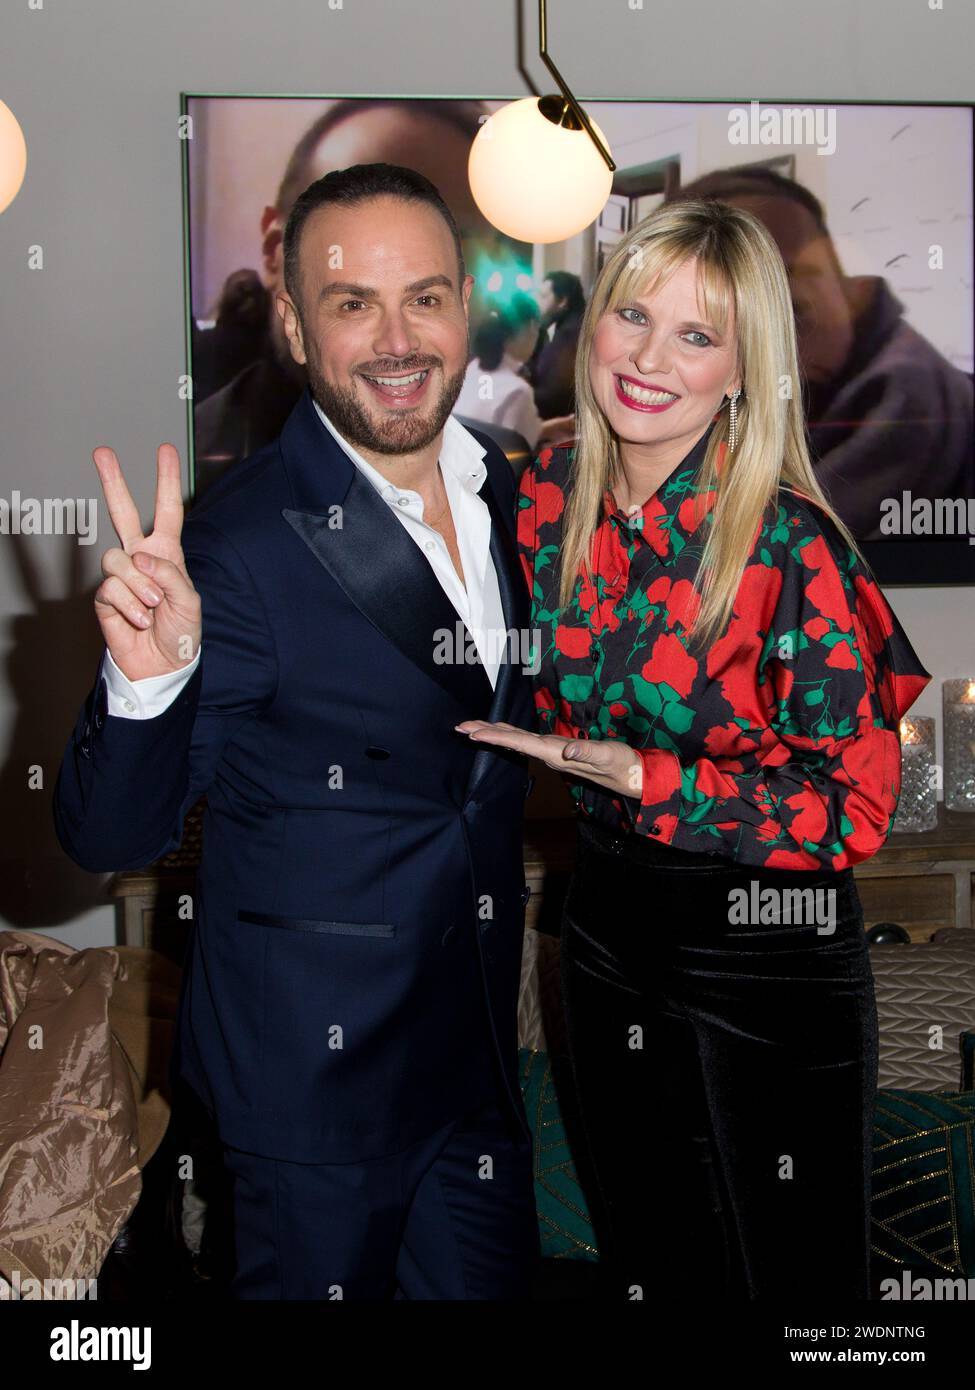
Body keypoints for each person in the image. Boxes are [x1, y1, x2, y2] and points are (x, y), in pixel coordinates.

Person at [53, 163, 541, 1300]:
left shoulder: (508, 491)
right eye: (351, 303)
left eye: (424, 296)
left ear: (466, 306)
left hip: (471, 1064)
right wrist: (147, 682)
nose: (396, 337)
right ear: (292, 323)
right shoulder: (239, 548)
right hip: (311, 1101)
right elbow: (107, 827)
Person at [455, 198, 932, 1301]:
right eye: (633, 314)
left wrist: (644, 778)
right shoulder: (543, 501)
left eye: (697, 335)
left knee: (802, 1283)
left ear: (743, 369)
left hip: (767, 946)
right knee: (658, 1265)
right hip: (607, 922)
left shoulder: (787, 542)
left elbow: (850, 813)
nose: (648, 359)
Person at [667, 166, 974, 541]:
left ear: (841, 282)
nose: (791, 301)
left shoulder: (912, 411)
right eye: (753, 282)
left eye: (802, 271)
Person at [454, 295, 547, 449]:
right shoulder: (517, 391)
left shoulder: (472, 368)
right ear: (531, 327)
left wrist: (555, 426)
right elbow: (521, 447)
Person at [523, 271, 586, 419]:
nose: (536, 303)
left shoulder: (573, 334)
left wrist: (515, 392)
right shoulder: (561, 328)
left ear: (562, 301)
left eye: (543, 297)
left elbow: (556, 396)